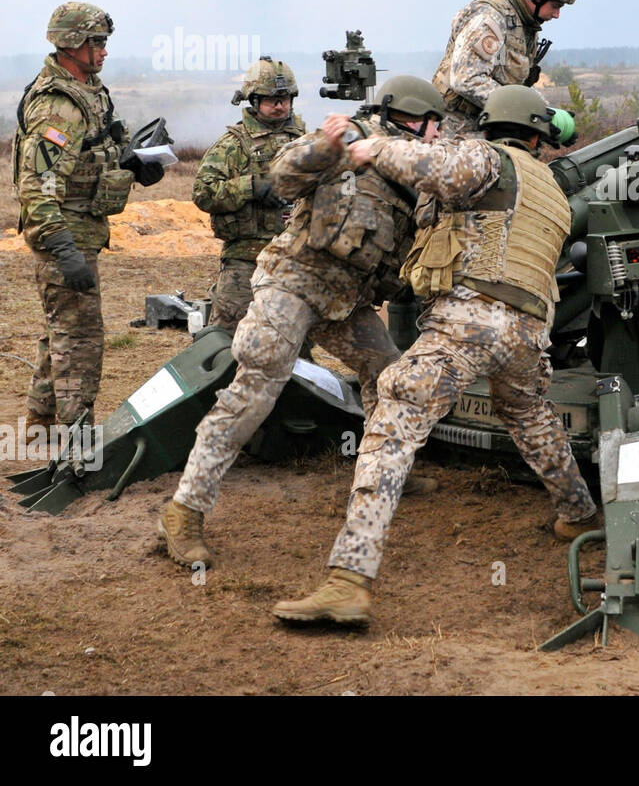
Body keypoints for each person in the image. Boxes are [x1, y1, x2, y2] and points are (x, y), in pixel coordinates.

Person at [273, 85, 596, 625]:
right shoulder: (550, 191)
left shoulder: (487, 156)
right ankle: (579, 514)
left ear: (492, 127)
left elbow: (444, 174)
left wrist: (372, 149)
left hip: (470, 320)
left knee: (396, 408)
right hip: (529, 329)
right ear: (540, 135)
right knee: (530, 415)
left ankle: (348, 581)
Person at [157, 76, 446, 568]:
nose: (440, 136)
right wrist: (326, 145)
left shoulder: (415, 172)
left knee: (389, 374)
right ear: (417, 120)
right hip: (292, 281)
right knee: (256, 387)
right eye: (436, 125)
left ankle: (384, 469)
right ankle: (184, 511)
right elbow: (284, 175)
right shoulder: (344, 140)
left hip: (345, 300)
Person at [12, 2, 162, 430]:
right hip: (65, 237)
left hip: (82, 233)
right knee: (80, 340)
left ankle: (40, 426)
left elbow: (100, 149)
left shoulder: (90, 92)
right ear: (71, 44)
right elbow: (36, 189)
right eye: (97, 42)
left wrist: (136, 164)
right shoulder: (58, 107)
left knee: (58, 331)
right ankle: (77, 437)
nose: (104, 51)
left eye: (104, 42)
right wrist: (63, 250)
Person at [192, 58, 305, 331]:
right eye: (271, 99)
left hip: (295, 256)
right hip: (246, 259)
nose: (280, 105)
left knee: (293, 337)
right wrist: (251, 188)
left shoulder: (304, 140)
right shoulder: (233, 145)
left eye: (285, 98)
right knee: (225, 336)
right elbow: (203, 192)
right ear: (253, 100)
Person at [432, 0, 579, 137]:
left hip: (484, 129)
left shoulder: (524, 26)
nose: (557, 14)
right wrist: (529, 112)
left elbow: (513, 84)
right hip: (453, 131)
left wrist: (546, 113)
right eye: (555, 5)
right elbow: (467, 79)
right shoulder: (490, 19)